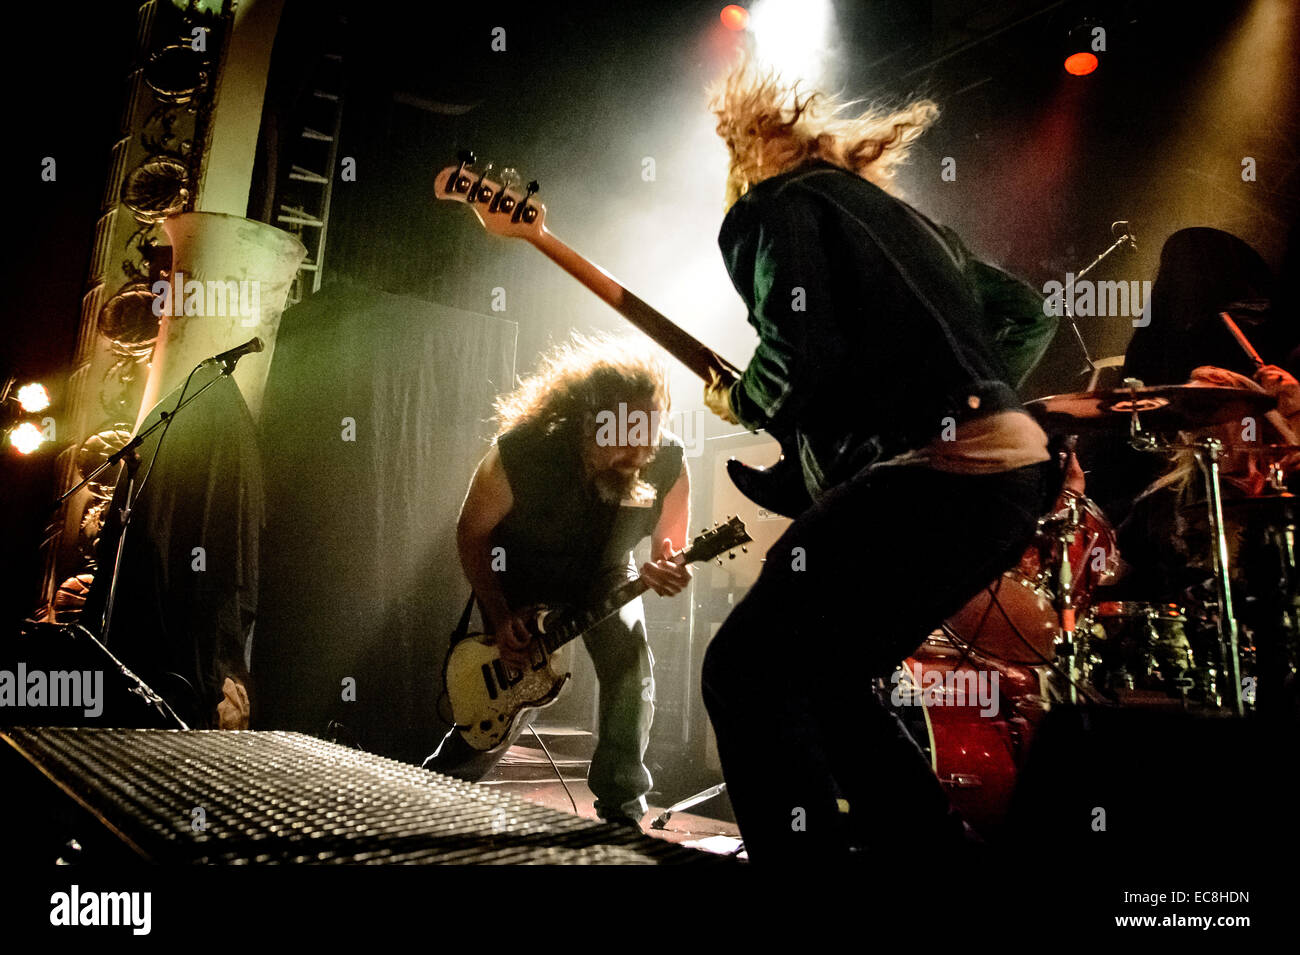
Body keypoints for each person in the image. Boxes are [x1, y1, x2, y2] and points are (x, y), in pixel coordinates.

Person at [698, 62, 1061, 860]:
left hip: (939, 473)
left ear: (752, 152)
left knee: (746, 669)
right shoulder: (914, 222)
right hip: (1015, 472)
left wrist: (740, 400)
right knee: (831, 678)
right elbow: (1027, 316)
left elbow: (798, 357)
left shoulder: (773, 204)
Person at [454, 336, 691, 828]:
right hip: (522, 579)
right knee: (507, 698)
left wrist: (668, 571)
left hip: (609, 574)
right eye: (628, 430)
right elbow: (472, 533)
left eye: (652, 425)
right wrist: (499, 616)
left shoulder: (668, 461)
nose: (643, 445)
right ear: (591, 421)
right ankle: (444, 780)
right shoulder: (521, 452)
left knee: (630, 662)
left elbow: (669, 551)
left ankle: (622, 813)